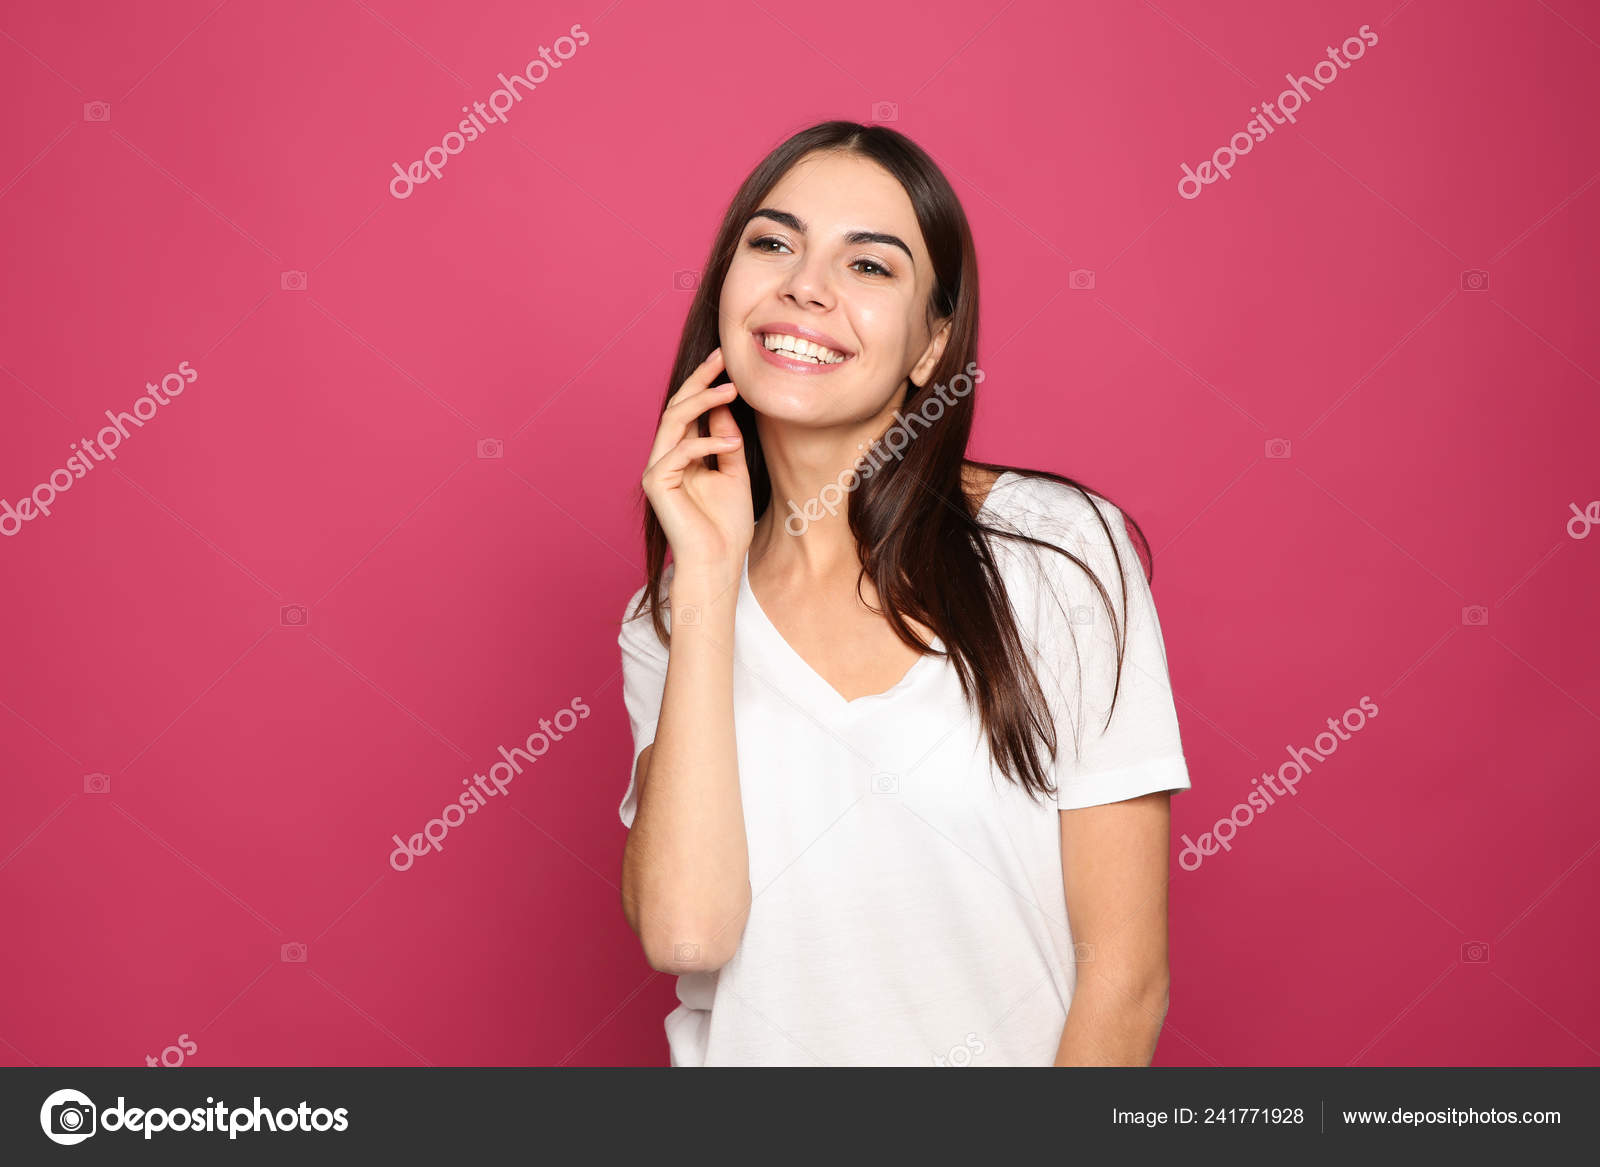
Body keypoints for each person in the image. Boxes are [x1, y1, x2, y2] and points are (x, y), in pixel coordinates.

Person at [616, 121, 1191, 1067]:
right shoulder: (671, 619)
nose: (806, 283)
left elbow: (1125, 981)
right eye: (772, 243)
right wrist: (712, 582)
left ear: (933, 345)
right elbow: (687, 937)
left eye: (871, 266)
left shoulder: (1055, 549)